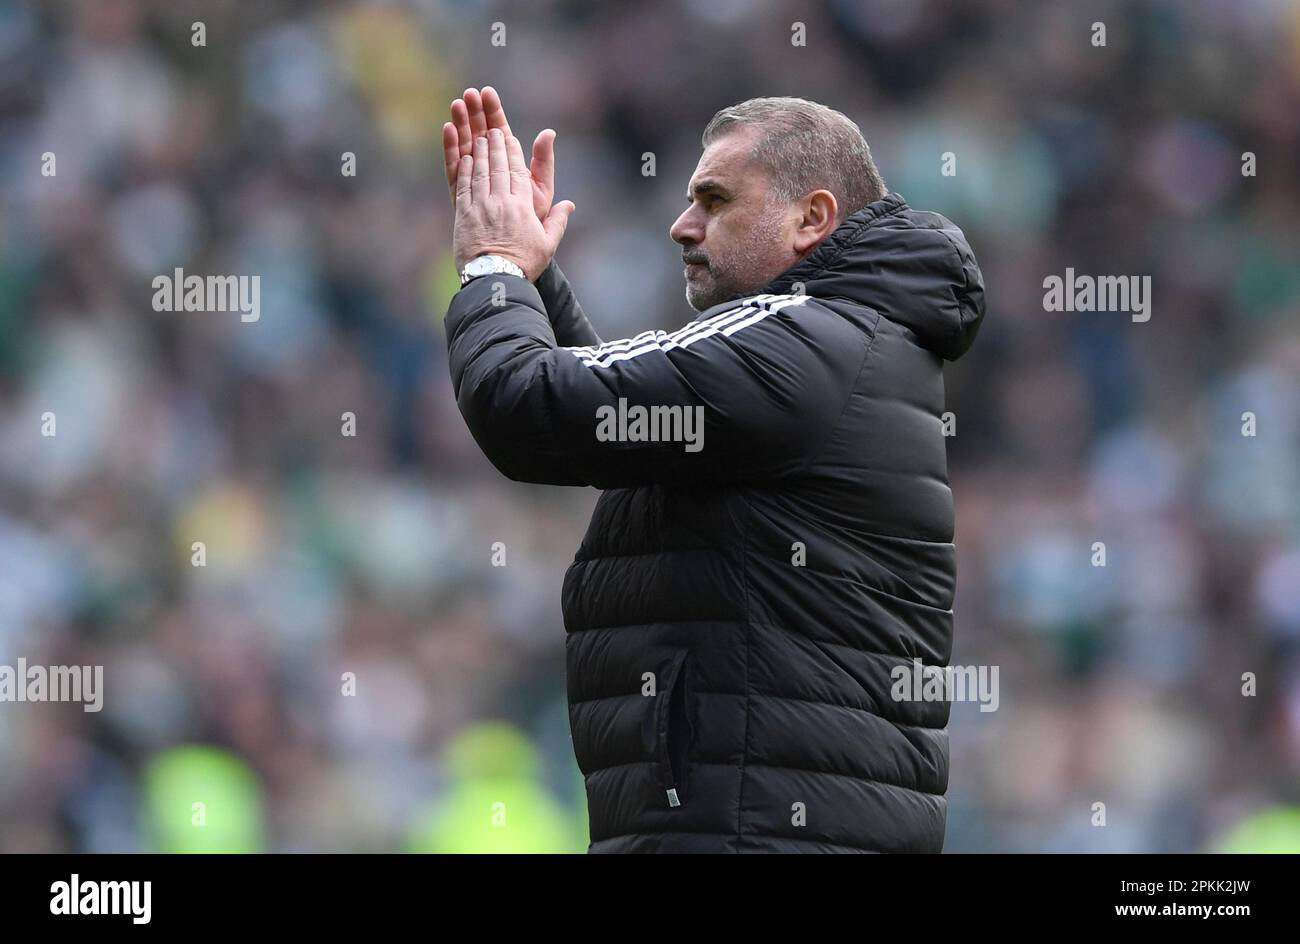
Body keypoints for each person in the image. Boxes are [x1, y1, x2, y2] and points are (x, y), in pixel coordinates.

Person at [441, 87, 985, 853]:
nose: (681, 224)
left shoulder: (803, 342)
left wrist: (492, 266)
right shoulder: (837, 345)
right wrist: (532, 279)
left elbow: (524, 406)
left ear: (812, 219)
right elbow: (625, 423)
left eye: (714, 199)